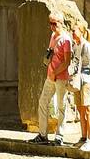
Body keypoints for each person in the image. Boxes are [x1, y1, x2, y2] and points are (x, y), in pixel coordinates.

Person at [31, 12, 73, 145]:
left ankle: (59, 136)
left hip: (60, 77)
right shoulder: (53, 36)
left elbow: (67, 61)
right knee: (43, 102)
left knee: (61, 106)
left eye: (54, 23)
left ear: (61, 23)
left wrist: (55, 72)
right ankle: (43, 134)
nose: (52, 26)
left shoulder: (66, 39)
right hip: (51, 76)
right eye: (50, 23)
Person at [69, 20, 90, 151]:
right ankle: (83, 137)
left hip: (87, 79)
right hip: (78, 79)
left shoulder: (87, 46)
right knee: (81, 109)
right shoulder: (75, 46)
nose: (72, 32)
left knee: (88, 109)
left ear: (81, 32)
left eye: (74, 30)